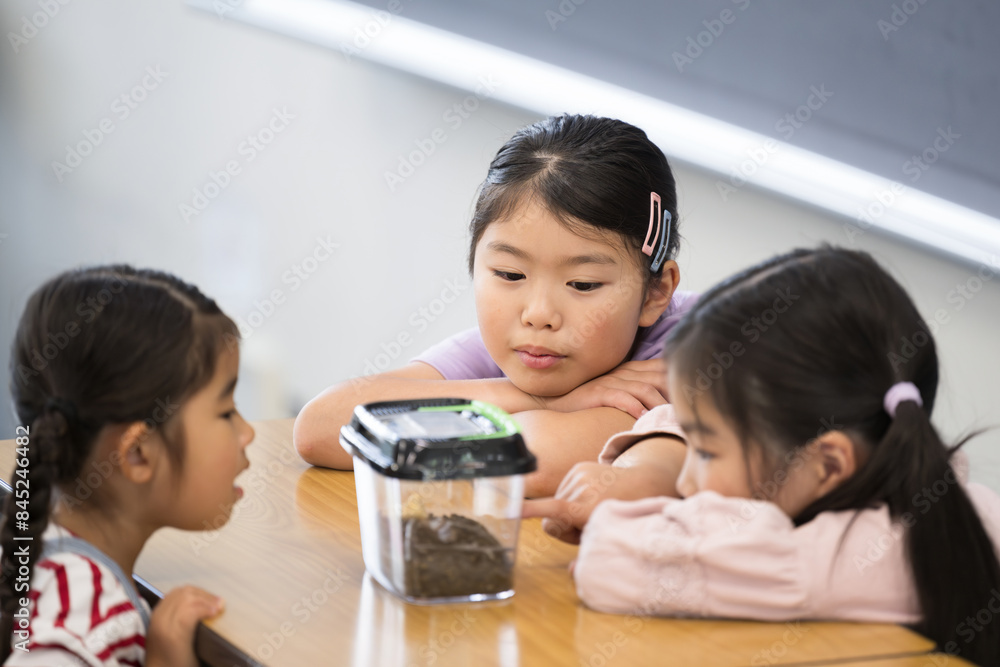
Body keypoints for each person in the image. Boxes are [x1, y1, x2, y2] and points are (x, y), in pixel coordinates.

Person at [524, 247, 1000, 666]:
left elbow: (616, 562)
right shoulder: (902, 487)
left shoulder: (844, 557)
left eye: (706, 451)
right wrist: (653, 465)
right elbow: (672, 416)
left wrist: (640, 500)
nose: (687, 483)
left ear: (828, 465)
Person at [294, 114, 697, 496]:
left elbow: (536, 460)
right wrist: (541, 400)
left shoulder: (678, 363)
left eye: (582, 283)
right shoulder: (524, 350)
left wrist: (473, 405)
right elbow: (320, 427)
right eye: (509, 275)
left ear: (655, 293)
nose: (538, 314)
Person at [0, 266, 255, 666]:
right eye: (226, 412)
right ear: (137, 453)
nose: (249, 433)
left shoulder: (35, 545)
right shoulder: (88, 622)